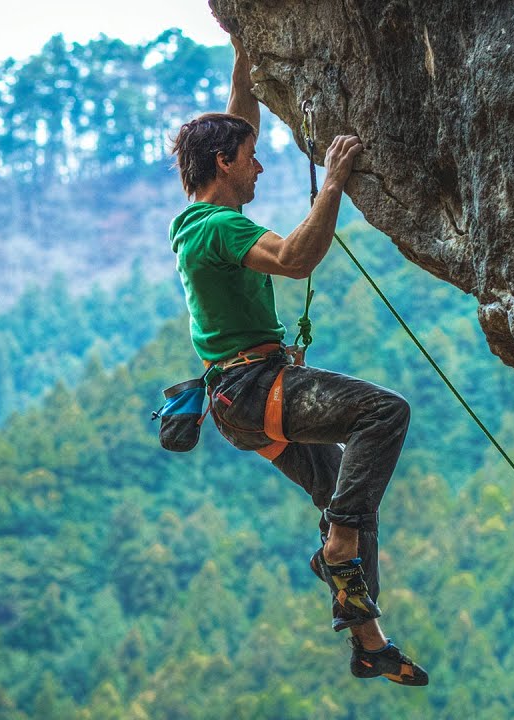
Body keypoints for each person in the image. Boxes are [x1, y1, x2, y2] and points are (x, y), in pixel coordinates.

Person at [167, 35, 429, 687]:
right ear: (224, 164)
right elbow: (295, 260)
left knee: (343, 485)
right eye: (250, 160)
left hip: (240, 401)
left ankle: (370, 644)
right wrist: (333, 183)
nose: (260, 169)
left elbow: (239, 120)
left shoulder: (199, 218)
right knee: (382, 415)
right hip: (257, 389)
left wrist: (243, 50)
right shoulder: (221, 229)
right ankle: (338, 544)